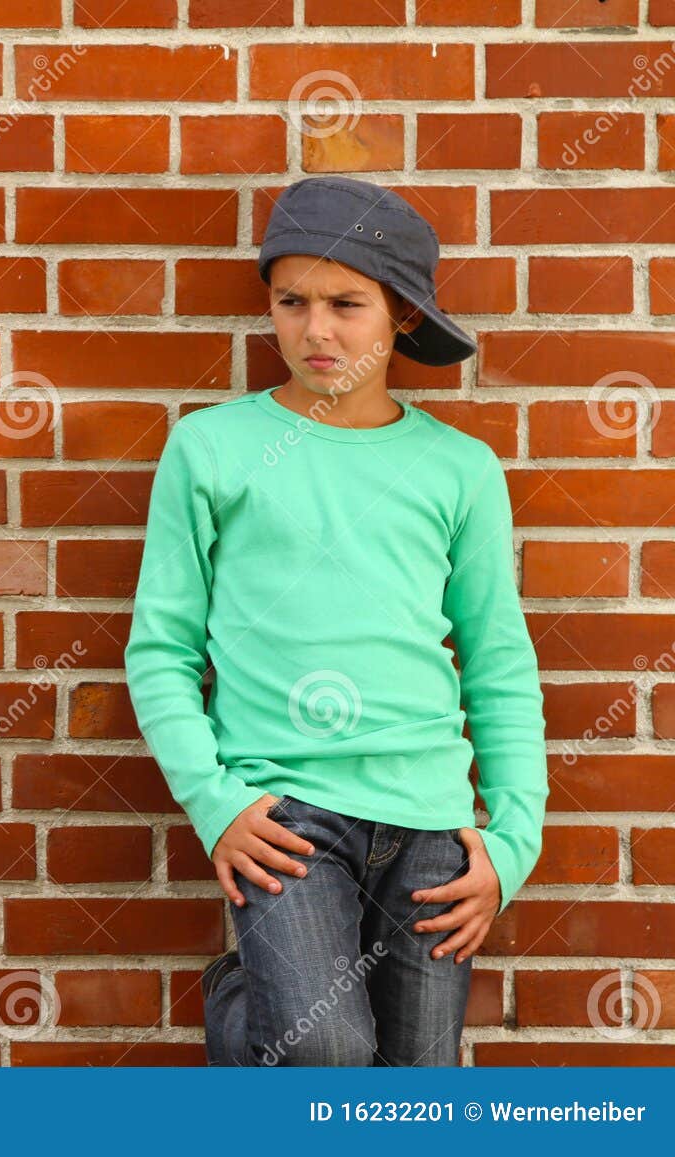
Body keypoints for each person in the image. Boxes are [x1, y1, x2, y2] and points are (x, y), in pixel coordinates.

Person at [122, 175, 548, 1067]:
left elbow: (497, 660)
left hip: (430, 825)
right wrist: (216, 801)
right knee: (323, 1054)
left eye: (347, 303)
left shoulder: (457, 469)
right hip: (287, 818)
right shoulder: (212, 449)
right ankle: (247, 1006)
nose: (316, 331)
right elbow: (161, 649)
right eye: (293, 302)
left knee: (413, 1090)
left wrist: (511, 842)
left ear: (400, 316)